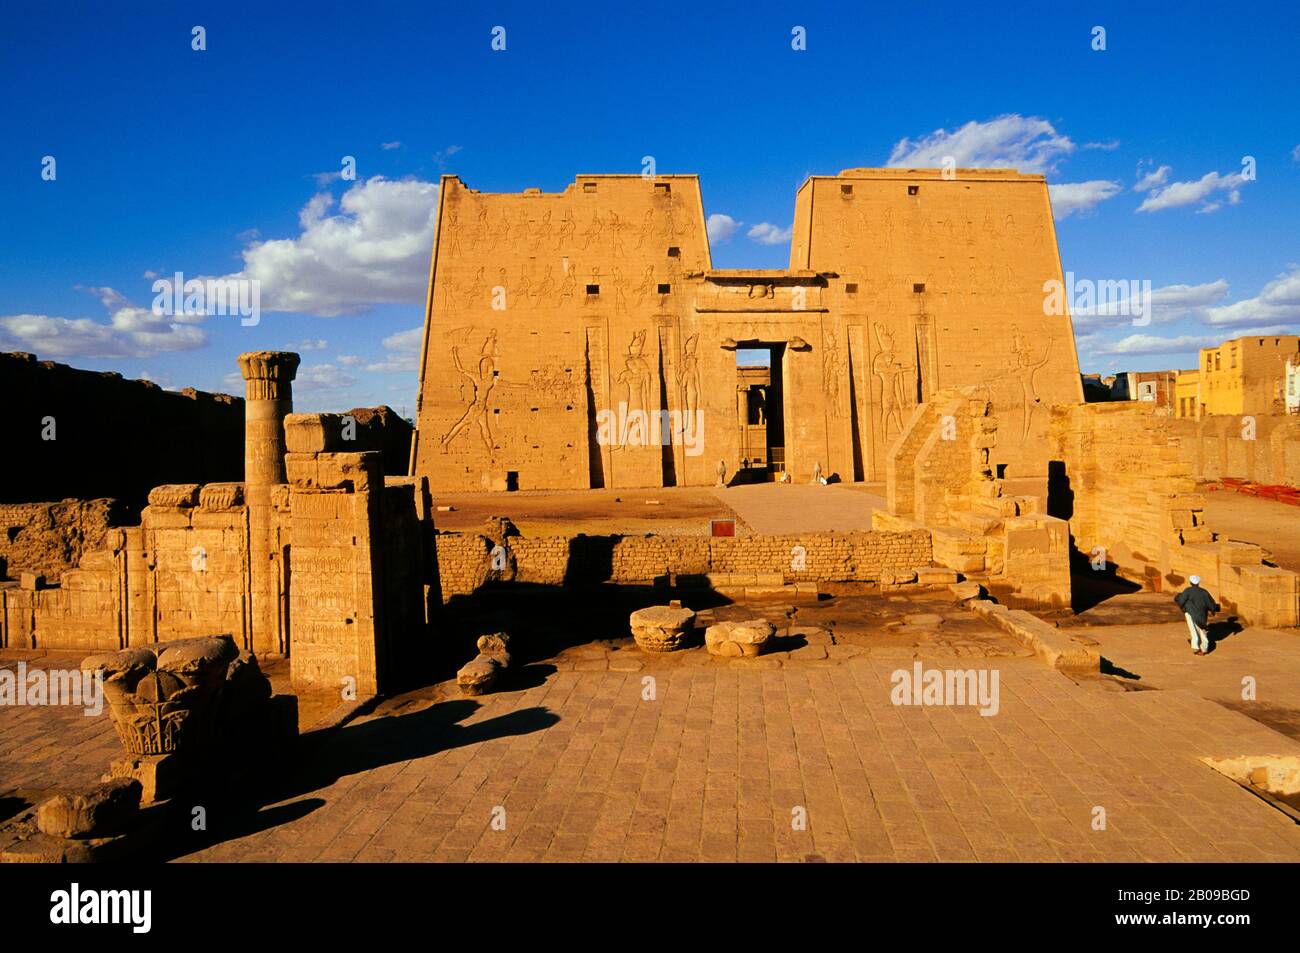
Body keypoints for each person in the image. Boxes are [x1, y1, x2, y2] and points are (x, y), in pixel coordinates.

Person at [1174, 575, 1220, 656]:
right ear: (1198, 583)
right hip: (1202, 614)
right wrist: (1213, 609)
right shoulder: (1204, 592)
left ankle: (1196, 648)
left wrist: (1183, 607)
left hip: (1190, 613)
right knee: (1202, 630)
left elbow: (1181, 601)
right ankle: (1204, 648)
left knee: (1193, 630)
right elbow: (1211, 604)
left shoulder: (1187, 591)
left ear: (1190, 583)